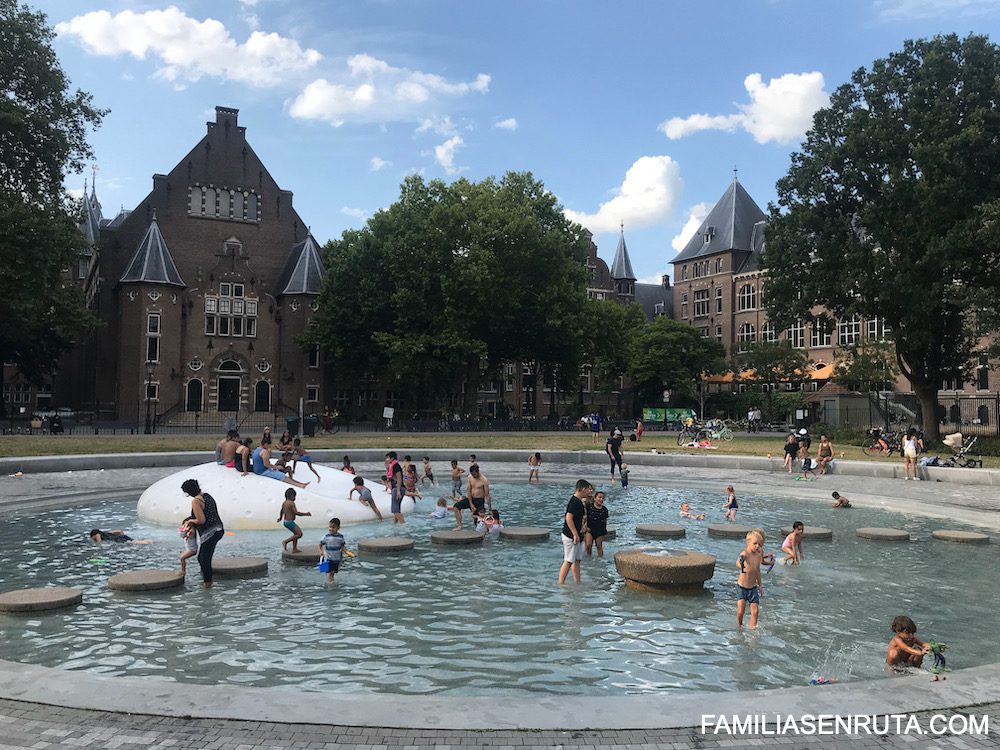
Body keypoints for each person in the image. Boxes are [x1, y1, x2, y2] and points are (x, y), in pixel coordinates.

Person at [182, 478, 224, 589]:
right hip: (219, 529)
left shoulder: (196, 500)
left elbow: (201, 520)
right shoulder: (207, 496)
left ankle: (207, 585)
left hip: (211, 532)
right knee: (204, 557)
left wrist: (190, 521)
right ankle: (207, 579)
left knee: (203, 559)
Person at [559, 479, 593, 584]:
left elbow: (580, 518)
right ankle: (561, 583)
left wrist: (583, 528)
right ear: (582, 489)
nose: (589, 491)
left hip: (578, 535)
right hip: (570, 536)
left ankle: (577, 581)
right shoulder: (574, 502)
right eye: (588, 489)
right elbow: (568, 518)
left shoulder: (579, 502)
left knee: (577, 560)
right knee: (569, 560)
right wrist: (574, 534)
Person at [736, 528, 765, 629]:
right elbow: (739, 560)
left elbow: (757, 571)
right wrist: (741, 565)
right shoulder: (745, 553)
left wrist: (760, 586)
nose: (757, 546)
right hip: (742, 587)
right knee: (741, 611)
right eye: (755, 544)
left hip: (753, 588)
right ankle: (739, 627)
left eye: (760, 544)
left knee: (755, 611)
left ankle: (752, 629)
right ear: (748, 542)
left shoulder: (758, 554)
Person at [277, 487, 311, 552]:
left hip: (286, 522)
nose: (295, 498)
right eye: (295, 496)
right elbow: (296, 513)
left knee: (296, 534)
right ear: (292, 496)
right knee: (299, 534)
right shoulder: (291, 503)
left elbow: (282, 511)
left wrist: (280, 518)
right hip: (290, 522)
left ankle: (294, 549)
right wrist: (306, 514)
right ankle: (285, 542)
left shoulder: (284, 502)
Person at [318, 518, 348, 585]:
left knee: (333, 572)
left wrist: (347, 552)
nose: (331, 529)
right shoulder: (326, 537)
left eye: (333, 527)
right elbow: (320, 545)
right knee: (330, 572)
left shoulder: (340, 537)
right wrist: (320, 551)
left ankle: (331, 581)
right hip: (329, 558)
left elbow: (342, 546)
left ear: (338, 528)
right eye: (330, 527)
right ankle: (330, 584)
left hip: (337, 558)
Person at [584, 490, 609, 558]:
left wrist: (604, 531)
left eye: (603, 498)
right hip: (589, 529)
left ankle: (600, 559)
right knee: (588, 545)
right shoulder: (589, 507)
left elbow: (605, 521)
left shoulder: (604, 510)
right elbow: (585, 517)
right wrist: (585, 527)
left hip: (600, 531)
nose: (601, 499)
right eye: (599, 497)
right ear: (595, 498)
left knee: (599, 546)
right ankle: (589, 557)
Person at [387, 450, 405, 524]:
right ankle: (395, 524)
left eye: (388, 458)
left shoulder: (396, 466)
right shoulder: (393, 466)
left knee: (394, 510)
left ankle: (404, 525)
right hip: (398, 489)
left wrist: (397, 491)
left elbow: (399, 479)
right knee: (397, 509)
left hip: (398, 489)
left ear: (392, 458)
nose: (387, 459)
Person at [88, 529, 153, 544]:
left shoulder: (97, 535)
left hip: (118, 539)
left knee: (135, 543)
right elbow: (119, 531)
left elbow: (99, 540)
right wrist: (122, 536)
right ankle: (152, 541)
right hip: (122, 536)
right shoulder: (107, 532)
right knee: (134, 541)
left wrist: (97, 543)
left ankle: (146, 542)